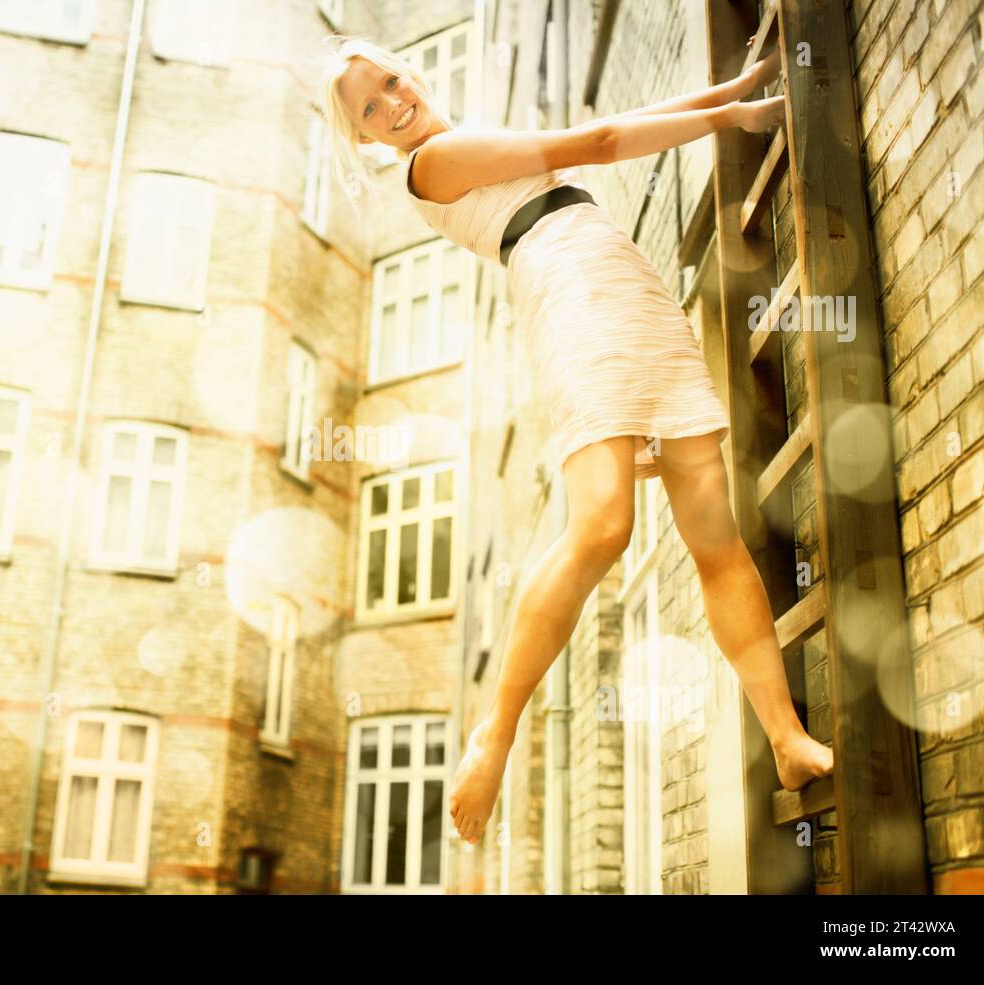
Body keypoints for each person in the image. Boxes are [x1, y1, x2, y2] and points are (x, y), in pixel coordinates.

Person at [318, 36, 834, 846]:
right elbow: (597, 142)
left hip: (619, 279)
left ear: (407, 70)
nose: (393, 102)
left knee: (715, 535)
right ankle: (495, 729)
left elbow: (606, 130)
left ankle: (786, 737)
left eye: (390, 80)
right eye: (370, 108)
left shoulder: (461, 140)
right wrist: (726, 110)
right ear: (362, 137)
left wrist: (727, 95)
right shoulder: (434, 160)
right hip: (575, 296)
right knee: (603, 525)